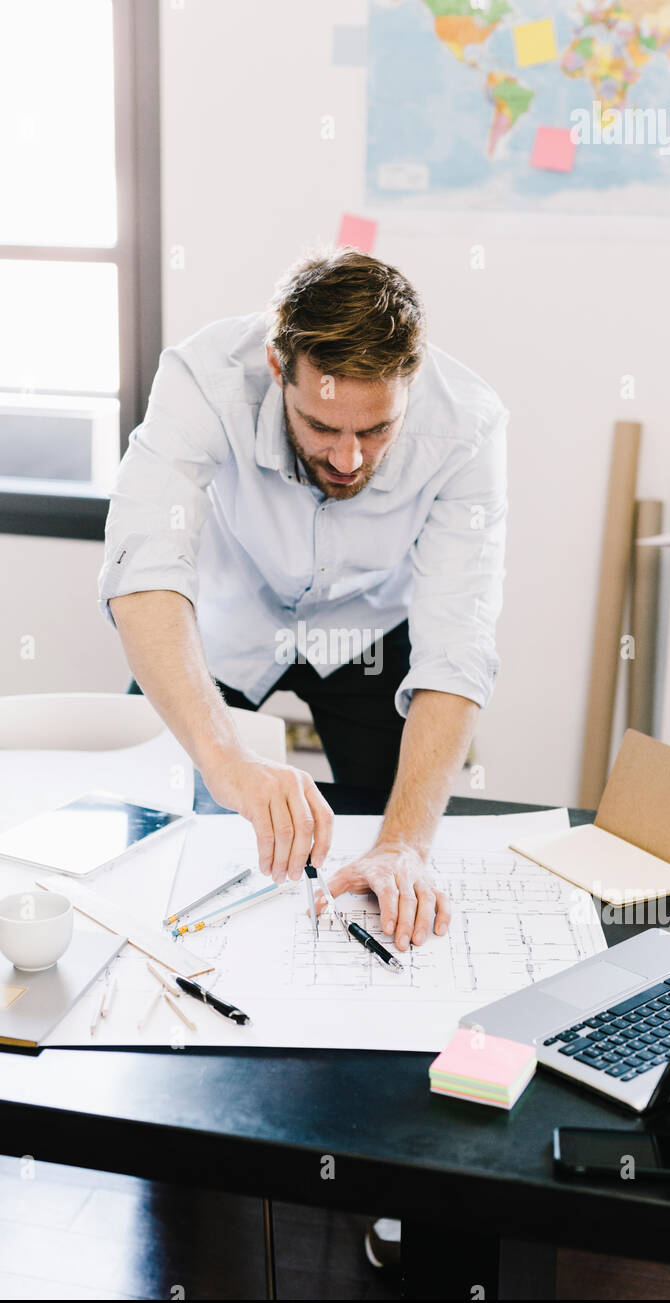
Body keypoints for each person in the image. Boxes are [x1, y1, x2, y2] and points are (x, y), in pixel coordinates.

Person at [99, 248, 508, 953]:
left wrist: (405, 845)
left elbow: (458, 640)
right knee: (151, 829)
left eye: (376, 430)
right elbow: (143, 567)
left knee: (399, 839)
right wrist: (227, 765)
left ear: (409, 384)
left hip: (370, 633)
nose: (349, 459)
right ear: (276, 369)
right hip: (228, 621)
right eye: (323, 428)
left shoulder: (467, 425)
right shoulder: (203, 376)